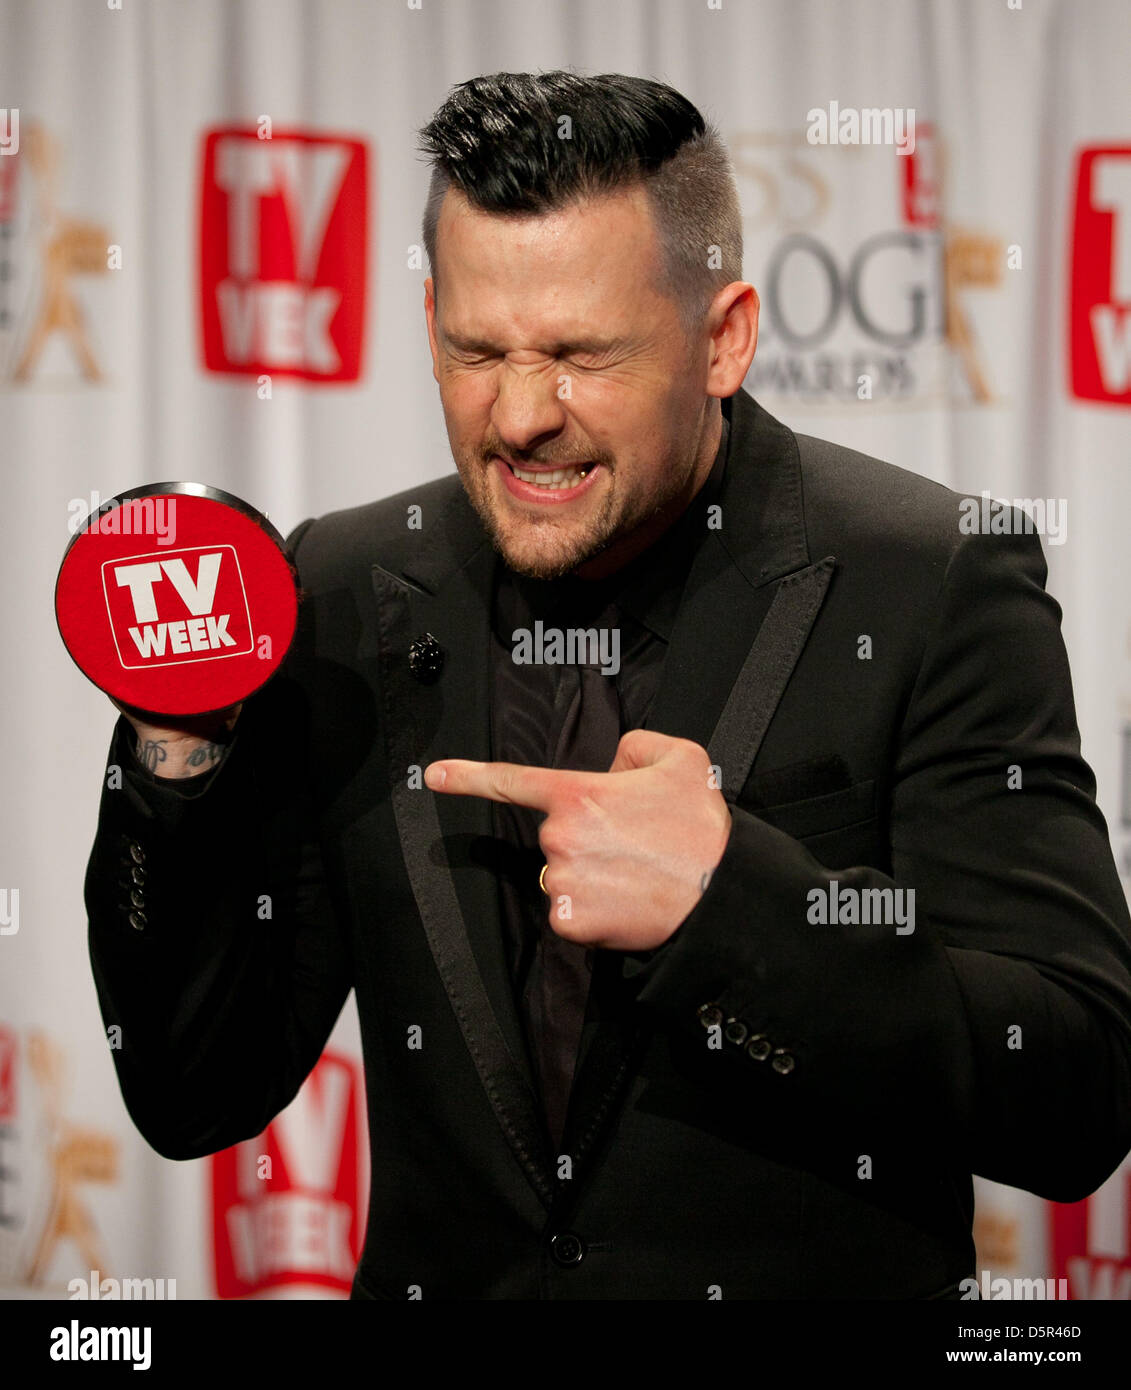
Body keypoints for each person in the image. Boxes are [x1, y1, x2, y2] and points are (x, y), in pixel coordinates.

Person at [85, 71, 1131, 1300]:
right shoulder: (343, 581)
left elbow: (1075, 1087)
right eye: (477, 350)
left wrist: (734, 905)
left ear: (725, 336)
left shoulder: (929, 576)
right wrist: (180, 746)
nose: (521, 415)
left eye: (583, 355)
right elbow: (193, 1090)